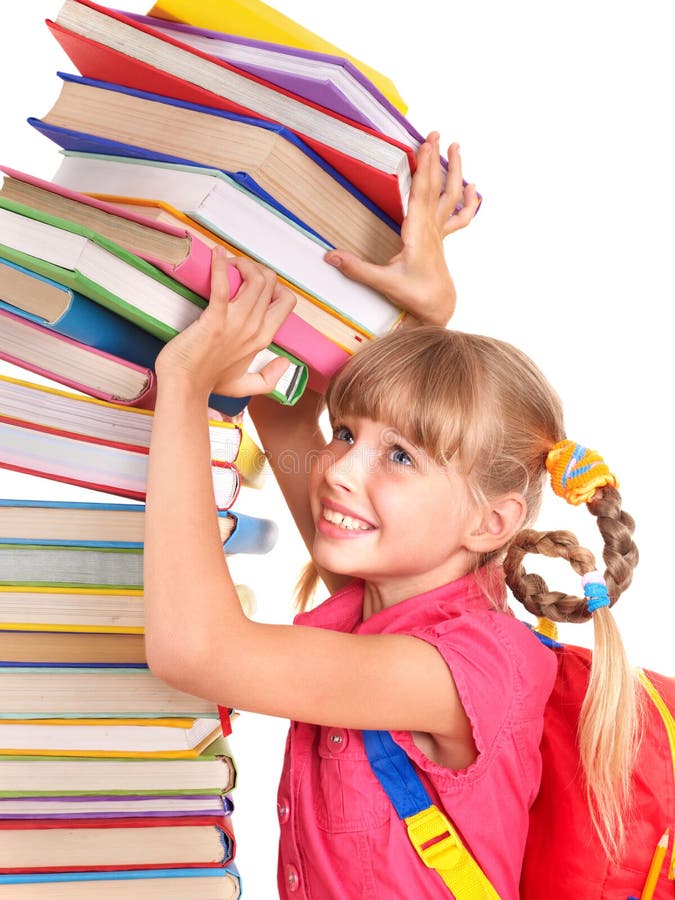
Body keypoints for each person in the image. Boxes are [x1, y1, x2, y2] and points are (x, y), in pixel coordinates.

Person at [143, 137, 639, 899]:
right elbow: (291, 418)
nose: (337, 469)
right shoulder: (381, 600)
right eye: (347, 437)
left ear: (489, 522)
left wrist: (182, 386)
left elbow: (196, 651)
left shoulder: (456, 668)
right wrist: (421, 312)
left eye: (398, 457)